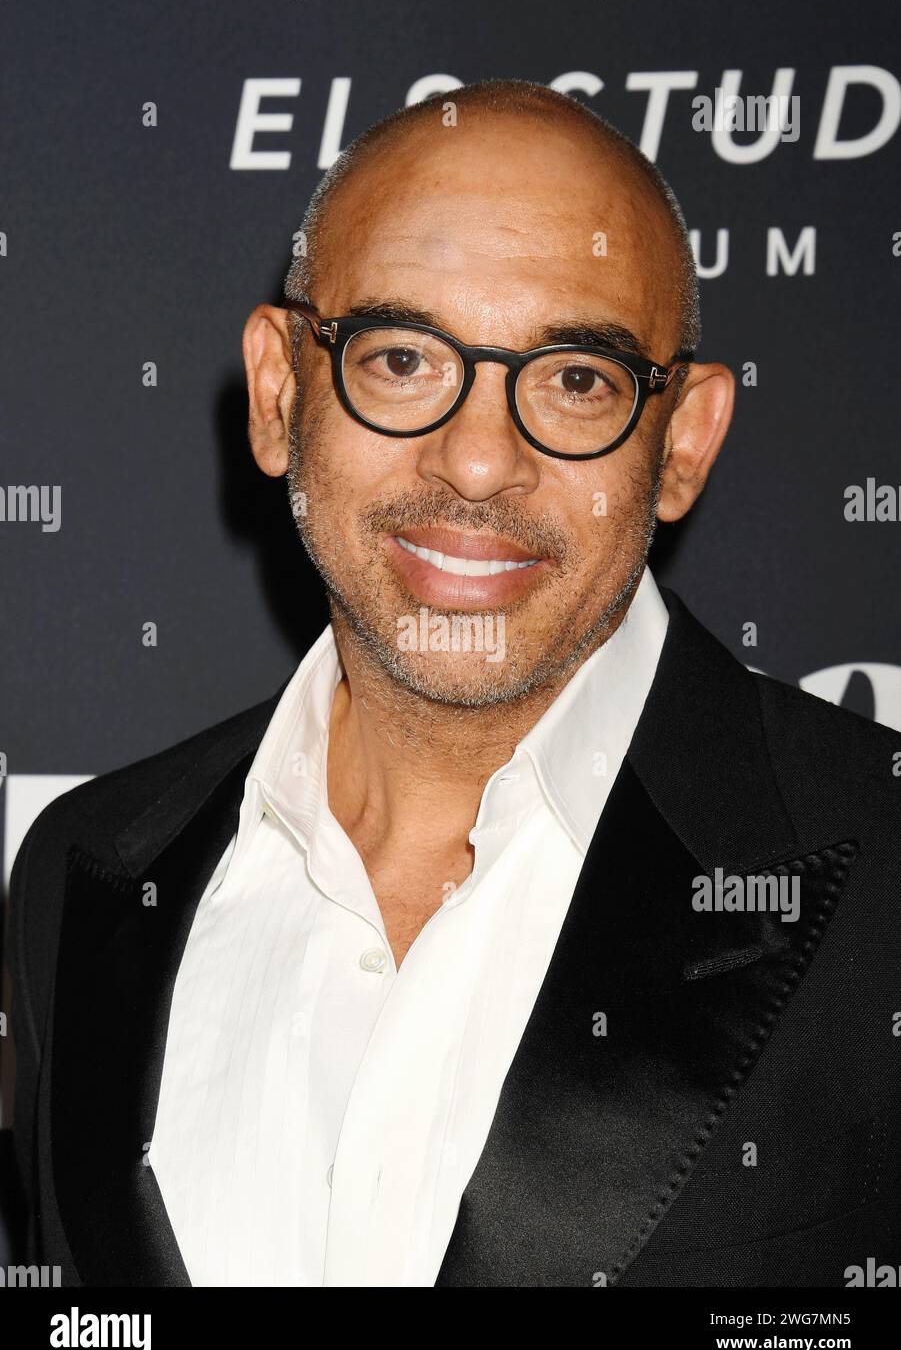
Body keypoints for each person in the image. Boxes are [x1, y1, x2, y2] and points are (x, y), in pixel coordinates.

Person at [9, 79, 901, 1288]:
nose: (479, 462)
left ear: (681, 439)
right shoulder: (84, 871)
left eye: (576, 379)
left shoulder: (876, 863)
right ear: (280, 394)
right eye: (401, 357)